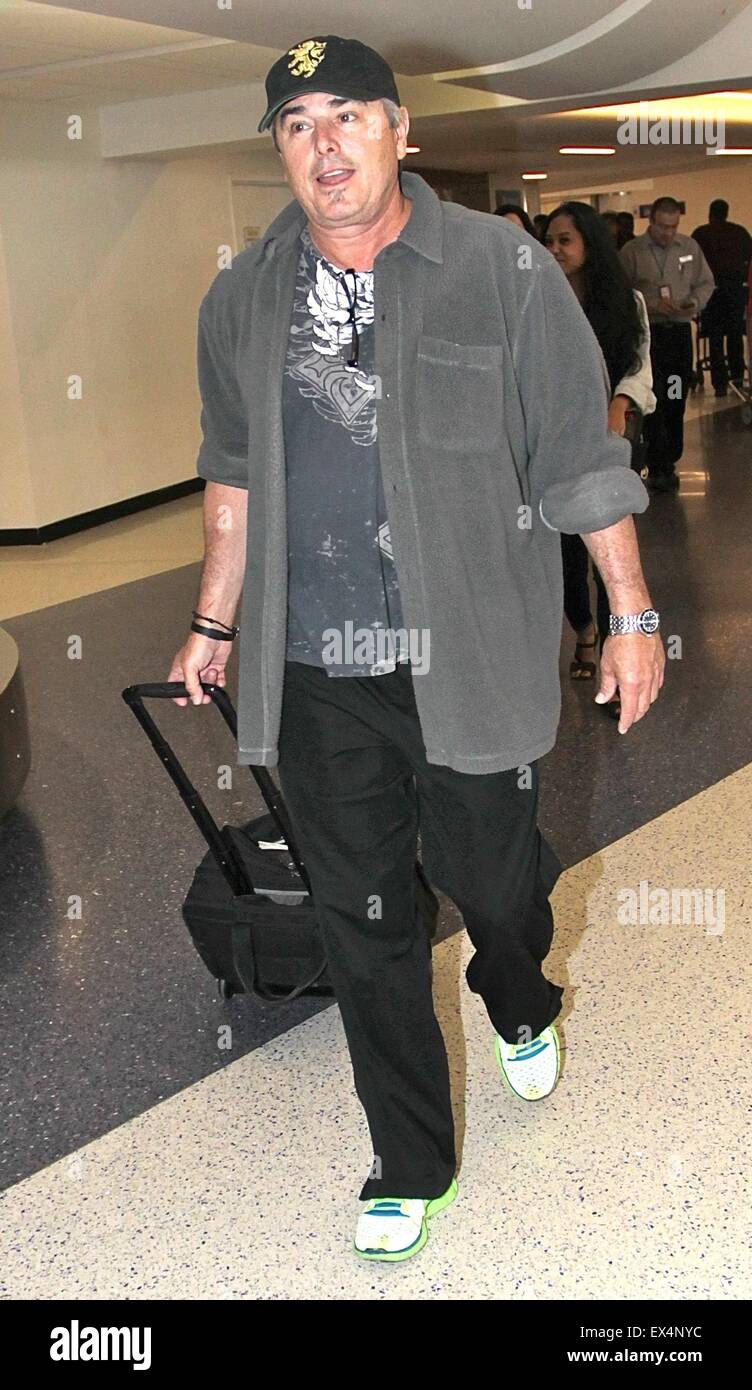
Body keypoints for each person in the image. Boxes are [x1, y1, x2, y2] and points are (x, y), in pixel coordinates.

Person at [168, 34, 665, 1264]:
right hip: (318, 661)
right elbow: (230, 474)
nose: (323, 144)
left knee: (496, 885)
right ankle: (406, 1155)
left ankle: (517, 991)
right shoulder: (241, 298)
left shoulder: (499, 268)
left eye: (347, 116)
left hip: (471, 648)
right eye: (296, 125)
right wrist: (213, 618)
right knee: (363, 914)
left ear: (400, 132)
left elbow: (575, 454)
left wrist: (633, 614)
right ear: (279, 149)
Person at [545, 202, 656, 721]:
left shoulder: (623, 302)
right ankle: (584, 634)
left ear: (589, 244)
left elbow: (640, 370)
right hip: (554, 452)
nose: (556, 250)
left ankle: (621, 648)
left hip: (608, 444)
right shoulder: (538, 297)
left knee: (611, 557)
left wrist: (618, 406)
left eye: (565, 240)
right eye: (550, 240)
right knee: (568, 556)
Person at [620, 196, 714, 491]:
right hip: (651, 338)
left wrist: (693, 303)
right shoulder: (633, 252)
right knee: (654, 398)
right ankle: (656, 460)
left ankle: (670, 457)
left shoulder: (688, 248)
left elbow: (706, 282)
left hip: (678, 337)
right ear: (651, 222)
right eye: (662, 227)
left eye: (673, 227)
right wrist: (651, 305)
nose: (668, 233)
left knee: (674, 395)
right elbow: (621, 294)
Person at [691, 199, 752, 395]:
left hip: (712, 293)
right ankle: (737, 377)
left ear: (710, 213)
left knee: (715, 338)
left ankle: (719, 383)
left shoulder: (701, 234)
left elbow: (693, 263)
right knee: (735, 335)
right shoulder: (740, 233)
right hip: (735, 292)